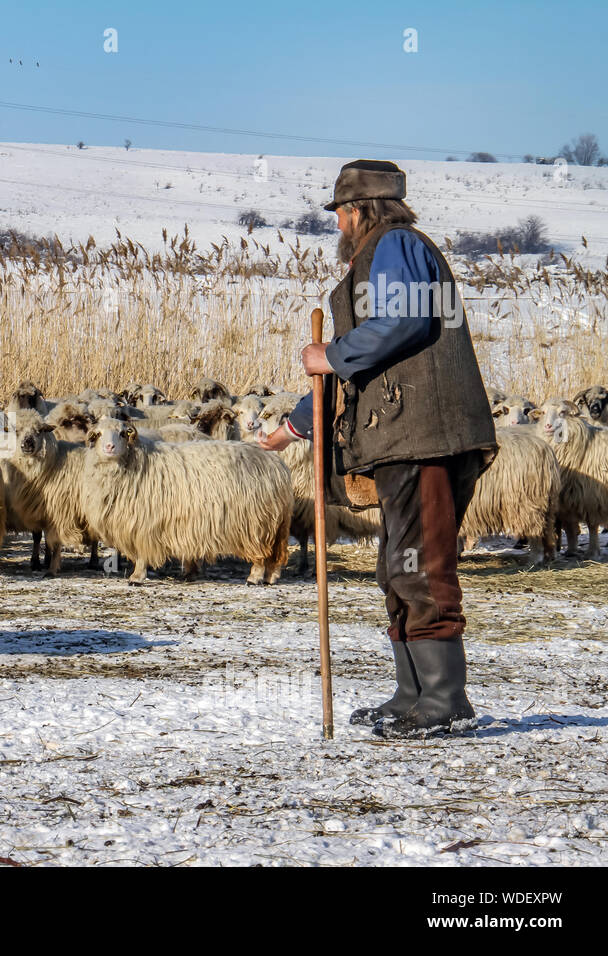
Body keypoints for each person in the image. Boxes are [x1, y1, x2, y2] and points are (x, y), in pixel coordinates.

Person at [257, 160, 497, 738]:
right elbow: (350, 375)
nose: (338, 224)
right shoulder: (378, 256)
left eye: (341, 211)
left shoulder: (394, 246)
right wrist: (296, 426)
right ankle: (412, 693)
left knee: (418, 563)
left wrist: (332, 355)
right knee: (396, 565)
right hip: (402, 434)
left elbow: (403, 322)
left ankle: (445, 702)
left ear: (363, 209)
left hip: (425, 433)